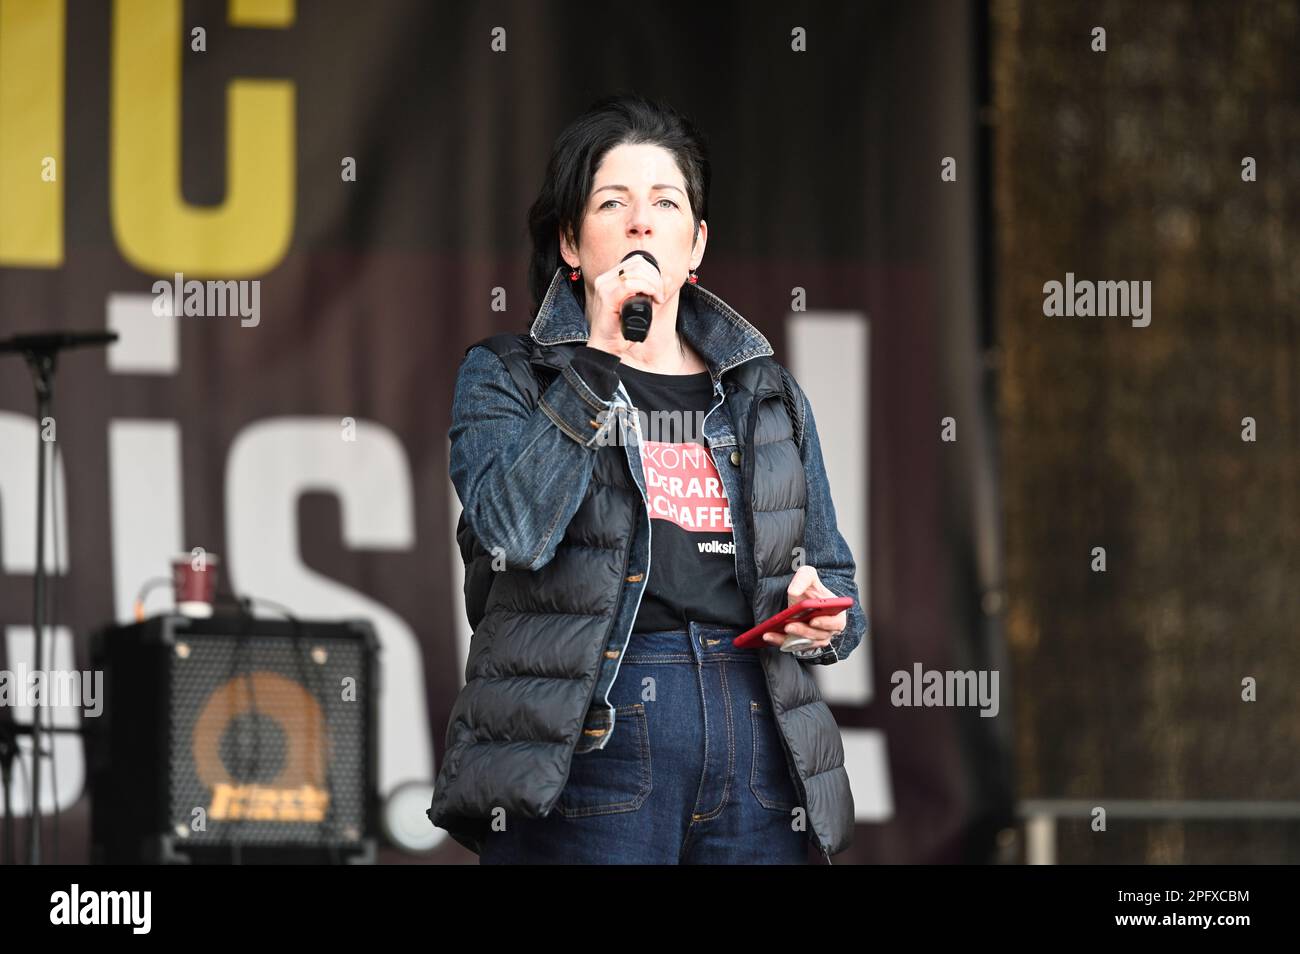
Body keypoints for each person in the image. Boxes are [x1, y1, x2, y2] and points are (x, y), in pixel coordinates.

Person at [428, 92, 865, 864]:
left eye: (665, 202)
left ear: (694, 245)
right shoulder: (508, 377)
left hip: (759, 726)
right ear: (571, 240)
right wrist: (596, 364)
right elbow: (512, 533)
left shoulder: (763, 391)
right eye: (612, 202)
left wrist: (821, 617)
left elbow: (833, 578)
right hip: (598, 730)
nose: (640, 221)